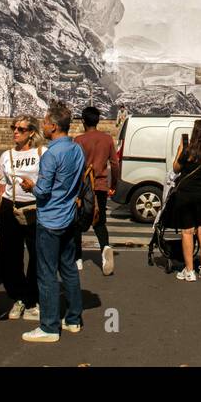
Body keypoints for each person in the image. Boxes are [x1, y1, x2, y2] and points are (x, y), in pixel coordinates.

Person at [23, 100, 86, 343]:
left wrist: (31, 187)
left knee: (46, 272)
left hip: (50, 218)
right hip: (69, 215)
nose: (43, 125)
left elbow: (43, 191)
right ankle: (73, 318)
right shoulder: (76, 149)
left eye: (46, 122)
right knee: (68, 267)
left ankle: (49, 326)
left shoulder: (51, 155)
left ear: (53, 127)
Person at [0, 116, 42, 321]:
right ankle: (19, 296)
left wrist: (33, 185)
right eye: (13, 128)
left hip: (34, 206)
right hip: (10, 206)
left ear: (31, 132)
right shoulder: (6, 155)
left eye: (21, 129)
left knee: (36, 254)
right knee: (10, 255)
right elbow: (0, 185)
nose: (16, 132)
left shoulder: (42, 153)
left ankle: (33, 298)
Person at [74, 105, 119, 276]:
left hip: (82, 187)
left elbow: (74, 167)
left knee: (77, 223)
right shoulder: (107, 140)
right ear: (98, 121)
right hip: (100, 186)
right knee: (99, 222)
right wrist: (113, 184)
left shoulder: (78, 140)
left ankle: (78, 258)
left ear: (84, 121)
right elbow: (115, 164)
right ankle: (105, 248)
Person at [171, 118, 201, 281]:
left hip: (186, 193)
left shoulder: (187, 149)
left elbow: (176, 168)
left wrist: (181, 150)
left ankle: (189, 270)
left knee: (187, 231)